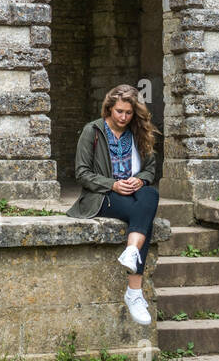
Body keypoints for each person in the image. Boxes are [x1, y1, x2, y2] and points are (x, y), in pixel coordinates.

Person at [66, 84, 161, 325]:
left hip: (134, 191)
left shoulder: (138, 132)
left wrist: (139, 180)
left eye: (128, 113)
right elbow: (82, 172)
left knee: (150, 196)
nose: (123, 117)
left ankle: (131, 252)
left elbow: (150, 168)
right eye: (119, 111)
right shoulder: (93, 131)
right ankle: (135, 292)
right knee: (144, 218)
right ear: (108, 109)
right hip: (103, 195)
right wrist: (113, 184)